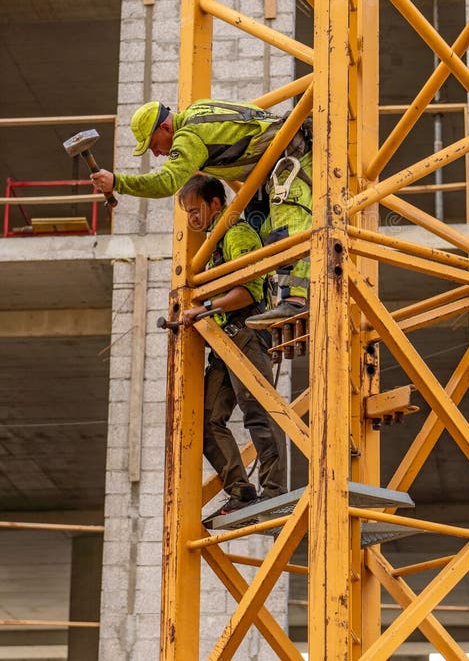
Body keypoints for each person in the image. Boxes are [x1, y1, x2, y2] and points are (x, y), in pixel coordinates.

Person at [90, 99, 311, 326]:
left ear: (165, 128)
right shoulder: (198, 110)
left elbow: (166, 182)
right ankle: (294, 297)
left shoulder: (189, 136)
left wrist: (117, 182)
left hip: (291, 157)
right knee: (268, 232)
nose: (157, 154)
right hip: (277, 164)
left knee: (287, 230)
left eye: (154, 145)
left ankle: (294, 302)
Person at [178, 174, 287, 518]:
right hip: (224, 344)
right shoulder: (213, 247)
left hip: (246, 335)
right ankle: (241, 492)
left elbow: (247, 293)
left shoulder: (236, 234)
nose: (193, 219)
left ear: (215, 204)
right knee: (208, 419)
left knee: (258, 413)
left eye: (196, 210)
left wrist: (203, 308)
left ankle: (273, 493)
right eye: (188, 214)